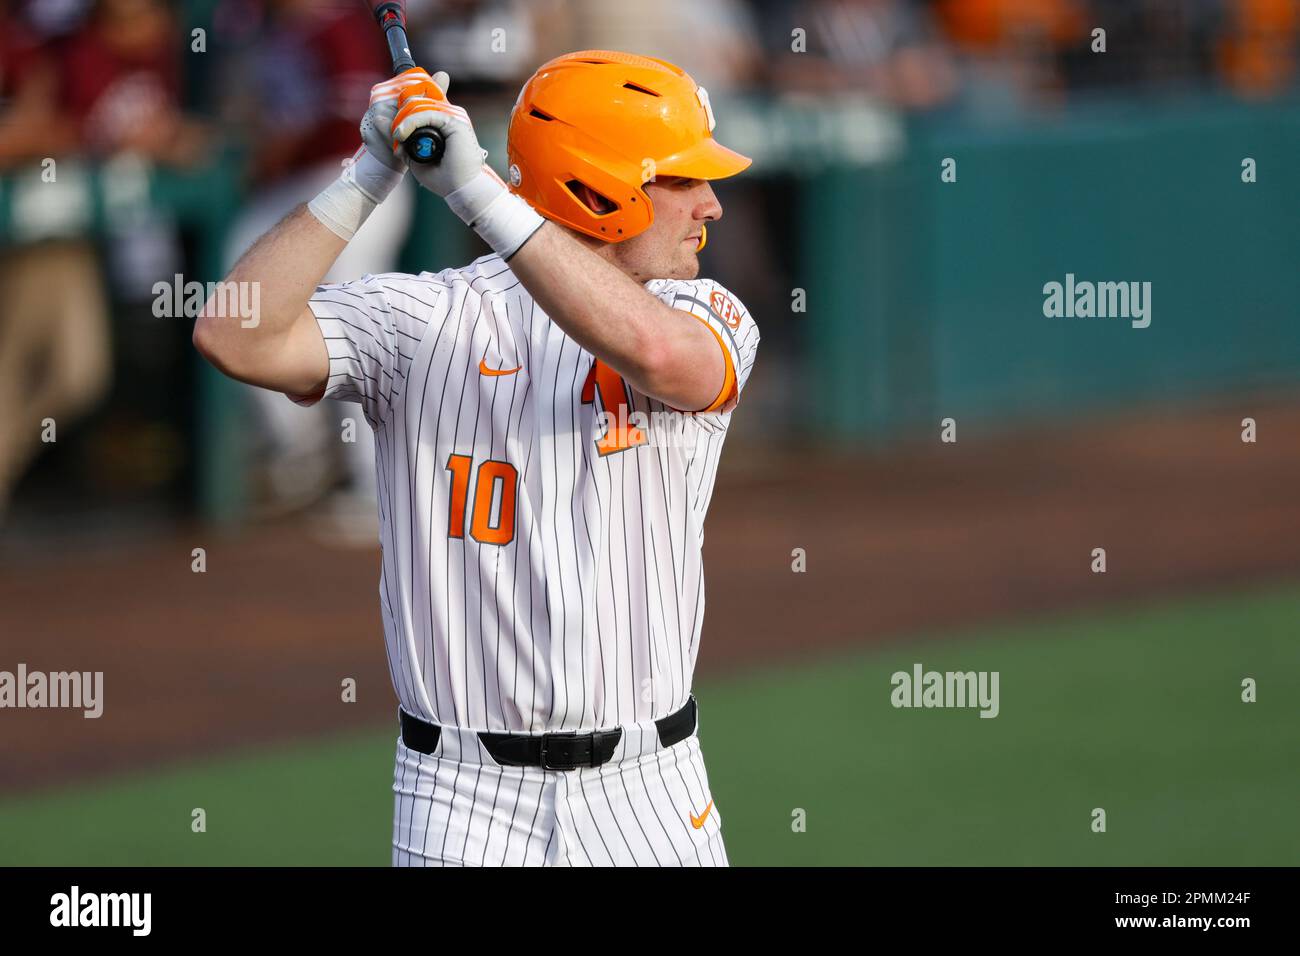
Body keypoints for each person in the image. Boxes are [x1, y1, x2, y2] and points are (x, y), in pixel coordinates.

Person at [193, 50, 760, 866]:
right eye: (682, 179)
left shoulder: (705, 311)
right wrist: (366, 174)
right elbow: (233, 334)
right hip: (460, 799)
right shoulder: (421, 319)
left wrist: (475, 190)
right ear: (600, 188)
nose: (710, 204)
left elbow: (663, 359)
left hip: (652, 791)